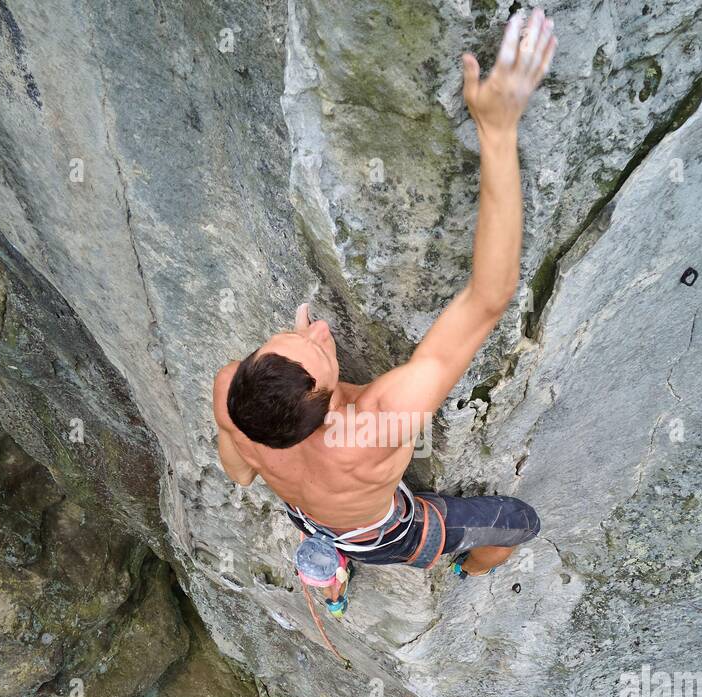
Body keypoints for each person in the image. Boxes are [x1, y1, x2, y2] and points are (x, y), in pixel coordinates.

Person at [212, 8, 555, 612]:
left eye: (297, 337)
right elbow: (487, 299)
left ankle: (326, 568)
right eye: (317, 349)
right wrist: (496, 132)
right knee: (517, 523)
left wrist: (301, 374)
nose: (316, 328)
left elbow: (241, 475)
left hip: (305, 510)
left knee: (320, 525)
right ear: (320, 411)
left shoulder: (232, 396)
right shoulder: (371, 428)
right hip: (383, 533)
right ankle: (464, 575)